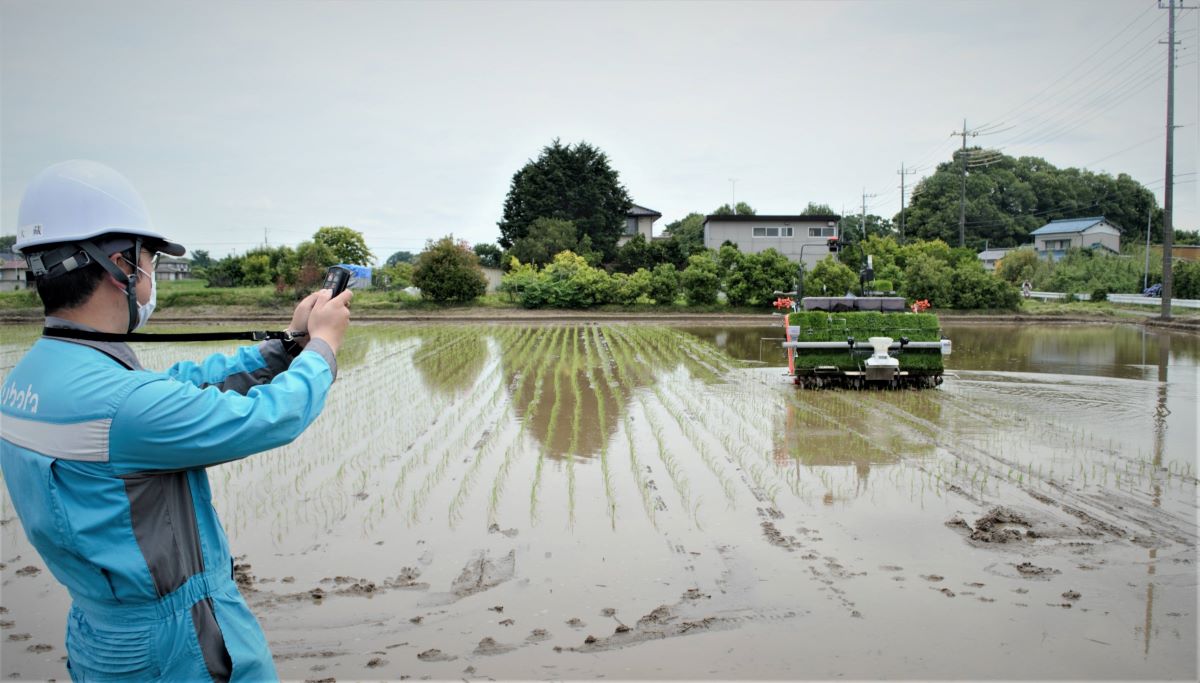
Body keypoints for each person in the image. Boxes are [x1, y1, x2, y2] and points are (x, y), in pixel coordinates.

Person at [0, 160, 352, 682]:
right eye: (150, 260)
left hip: (102, 634)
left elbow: (181, 387)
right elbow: (269, 418)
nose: (151, 276)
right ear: (119, 264)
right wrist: (323, 346)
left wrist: (286, 344)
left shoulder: (29, 378)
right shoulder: (121, 405)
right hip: (175, 645)